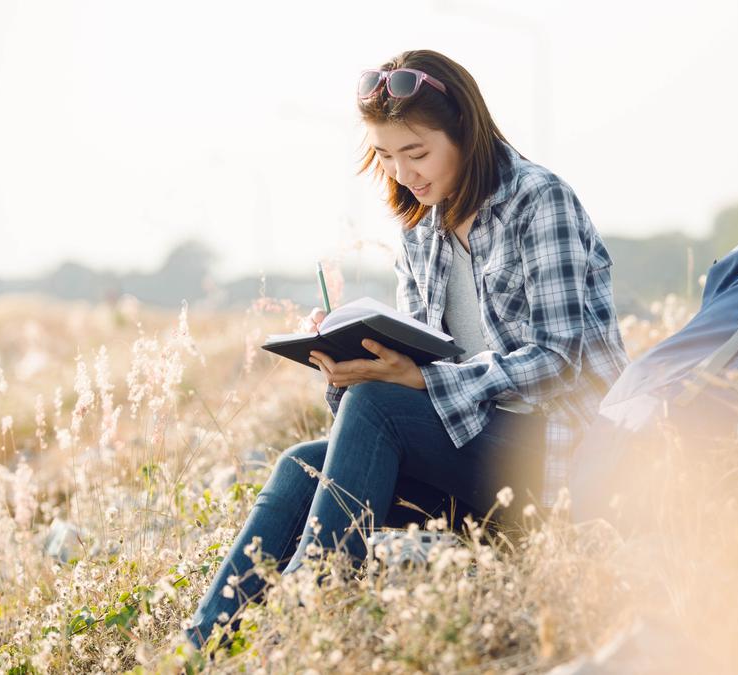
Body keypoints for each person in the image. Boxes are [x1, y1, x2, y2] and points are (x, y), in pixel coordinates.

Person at [184, 49, 628, 651]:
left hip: (557, 458)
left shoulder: (538, 200)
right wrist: (348, 360)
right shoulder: (422, 226)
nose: (403, 173)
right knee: (299, 466)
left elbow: (559, 360)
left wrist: (414, 384)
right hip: (471, 457)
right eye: (387, 157)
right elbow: (407, 386)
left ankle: (305, 622)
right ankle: (197, 650)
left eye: (416, 153)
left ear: (464, 132)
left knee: (379, 406)